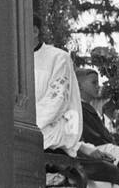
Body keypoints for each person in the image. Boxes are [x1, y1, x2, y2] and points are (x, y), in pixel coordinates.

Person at [33, 14, 82, 154]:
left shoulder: (58, 57)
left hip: (50, 127)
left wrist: (26, 124)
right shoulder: (11, 59)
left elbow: (56, 101)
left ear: (35, 31)